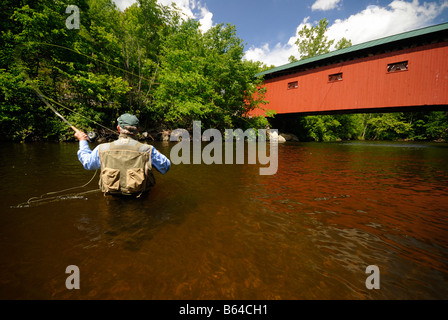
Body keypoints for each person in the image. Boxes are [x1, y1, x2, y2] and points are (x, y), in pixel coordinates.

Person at [74, 113, 171, 196]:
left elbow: (87, 163)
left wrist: (82, 141)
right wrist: (157, 153)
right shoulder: (148, 150)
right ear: (138, 130)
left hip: (113, 197)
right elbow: (165, 167)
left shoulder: (102, 149)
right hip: (140, 197)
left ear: (118, 128)